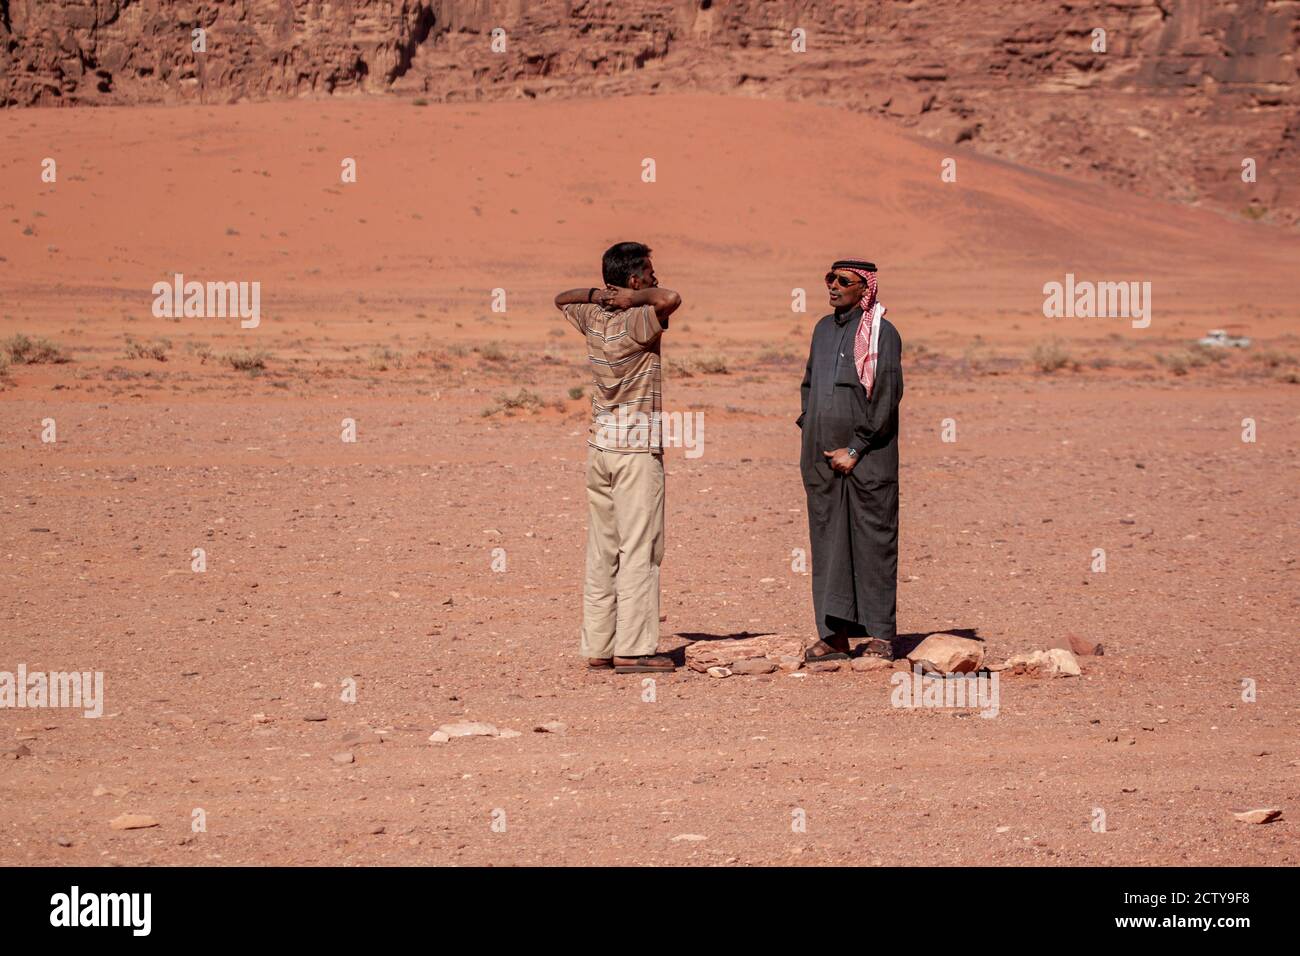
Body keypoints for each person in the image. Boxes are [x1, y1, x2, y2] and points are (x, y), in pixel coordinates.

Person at [554, 242, 682, 673]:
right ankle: (634, 649)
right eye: (648, 272)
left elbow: (561, 298)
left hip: (600, 447)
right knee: (641, 547)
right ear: (632, 280)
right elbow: (671, 299)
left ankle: (599, 644)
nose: (655, 278)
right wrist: (630, 299)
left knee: (602, 547)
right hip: (635, 449)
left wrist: (599, 295)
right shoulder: (637, 320)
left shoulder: (593, 316)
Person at [797, 258, 904, 663]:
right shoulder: (823, 330)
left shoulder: (882, 335)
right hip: (822, 461)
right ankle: (834, 635)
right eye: (830, 278)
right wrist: (811, 427)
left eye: (844, 281)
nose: (834, 286)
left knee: (873, 543)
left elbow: (886, 398)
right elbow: (809, 383)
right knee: (827, 543)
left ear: (866, 289)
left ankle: (880, 636)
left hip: (868, 460)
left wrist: (856, 448)